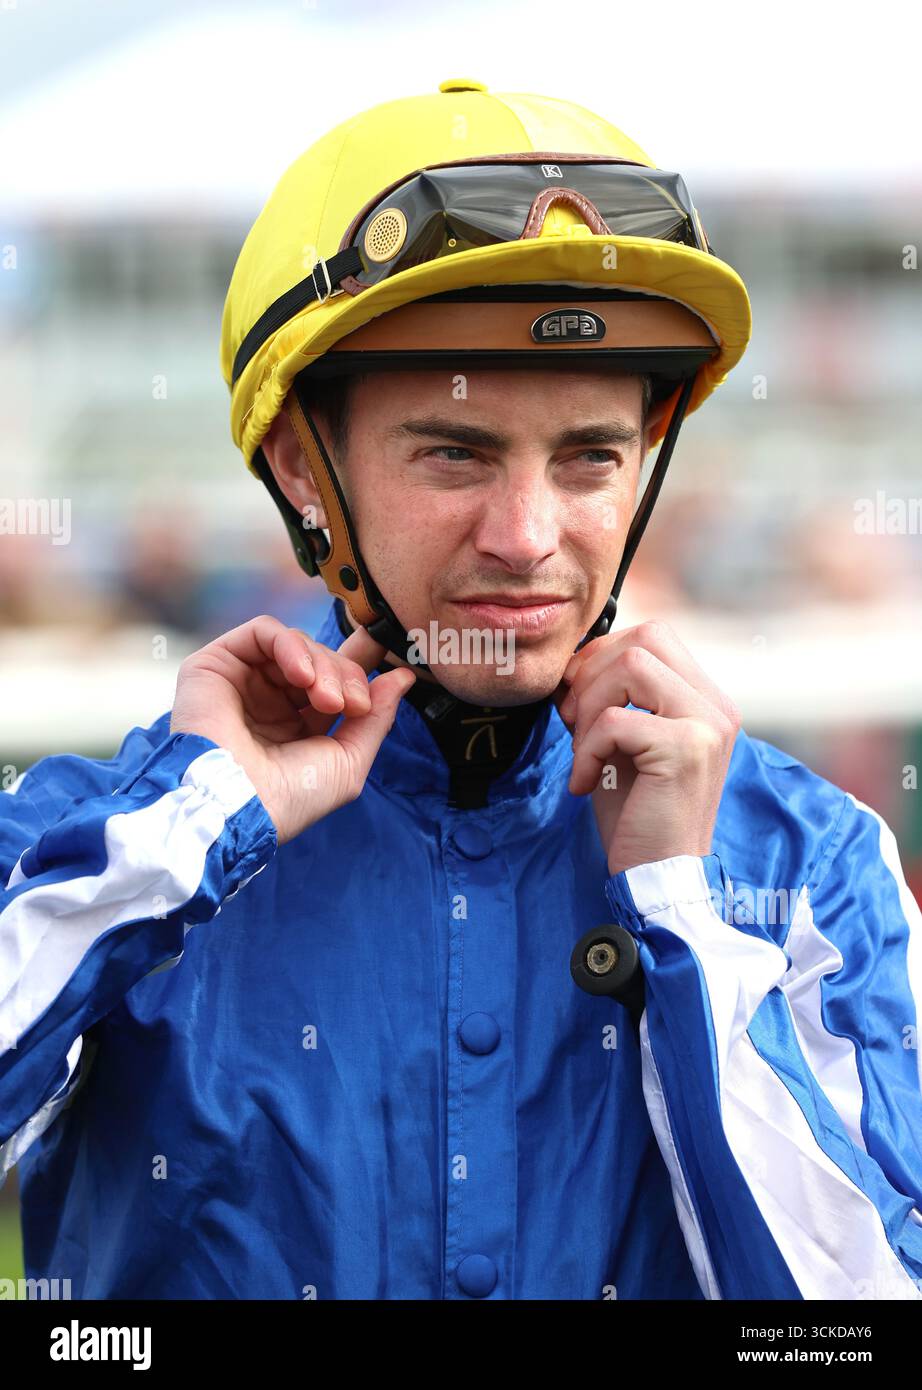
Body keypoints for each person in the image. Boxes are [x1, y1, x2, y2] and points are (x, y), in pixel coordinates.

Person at [1, 78, 920, 1302]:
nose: (529, 536)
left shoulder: (809, 861)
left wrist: (685, 916)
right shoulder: (110, 836)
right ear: (300, 466)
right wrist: (181, 833)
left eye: (590, 457)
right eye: (455, 452)